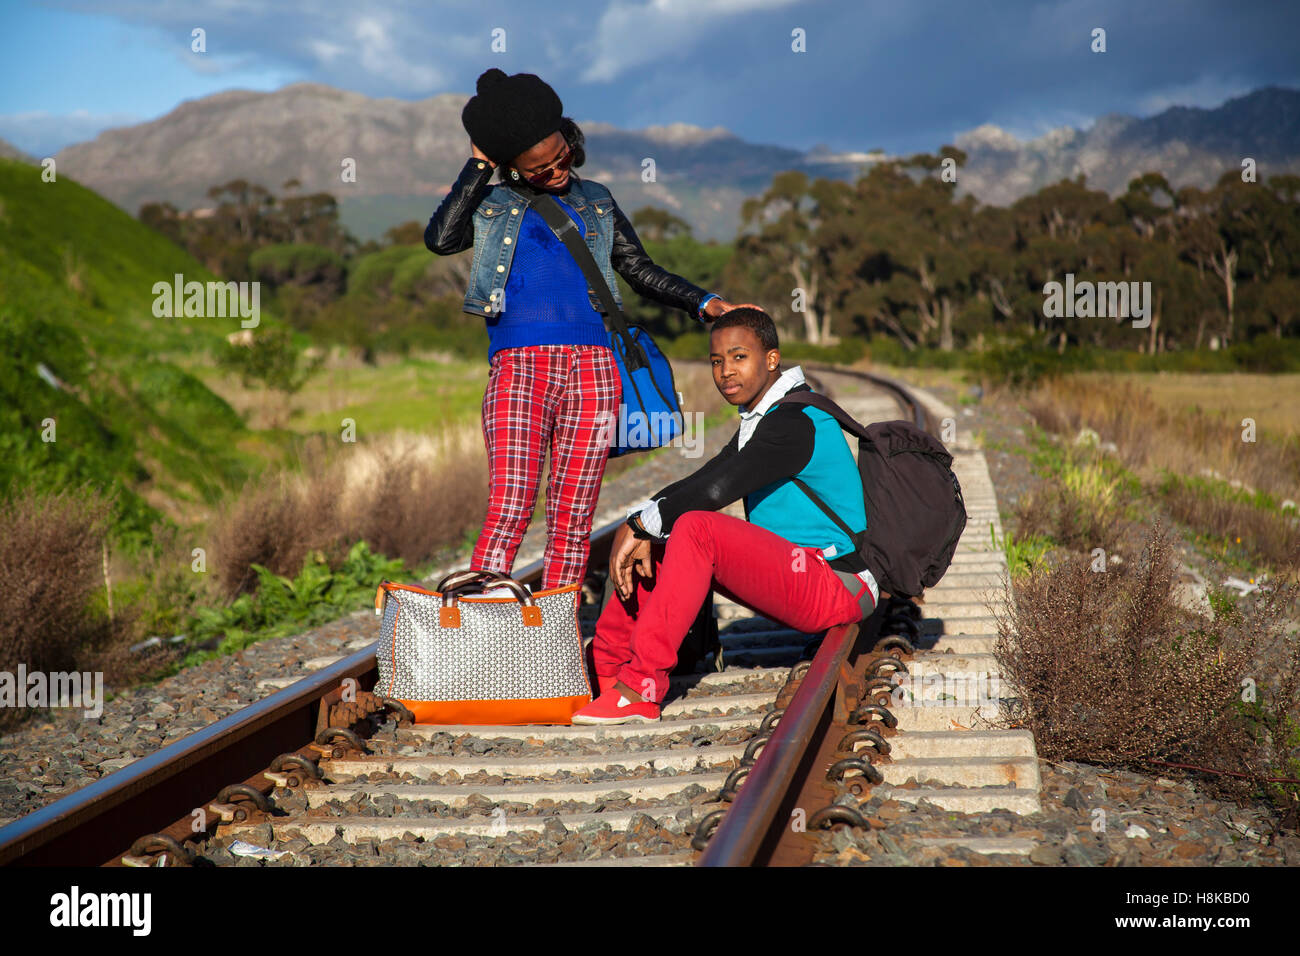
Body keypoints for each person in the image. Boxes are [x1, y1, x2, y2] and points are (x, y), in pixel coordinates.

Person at [425, 69, 740, 590]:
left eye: (561, 157)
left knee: (571, 521)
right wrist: (480, 162)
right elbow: (441, 238)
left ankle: (554, 644)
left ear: (569, 139)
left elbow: (638, 269)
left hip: (594, 369)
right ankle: (484, 640)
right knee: (511, 504)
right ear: (512, 169)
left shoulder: (595, 198)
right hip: (519, 367)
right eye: (539, 169)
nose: (555, 172)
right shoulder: (492, 203)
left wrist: (704, 302)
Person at [572, 307, 879, 725]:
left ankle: (641, 686)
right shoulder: (766, 417)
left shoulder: (794, 422)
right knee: (664, 537)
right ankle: (608, 674)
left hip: (837, 583)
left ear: (771, 359)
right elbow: (706, 477)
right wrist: (643, 520)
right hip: (802, 574)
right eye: (717, 361)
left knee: (694, 527)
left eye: (739, 357)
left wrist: (644, 522)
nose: (725, 372)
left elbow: (718, 490)